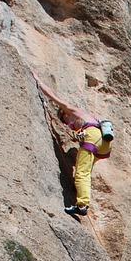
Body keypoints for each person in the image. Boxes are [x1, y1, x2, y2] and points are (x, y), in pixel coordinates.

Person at [32, 73, 112, 217]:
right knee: (85, 172)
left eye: (65, 119)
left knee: (81, 172)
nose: (67, 124)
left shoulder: (73, 111)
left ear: (66, 113)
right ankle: (82, 192)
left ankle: (82, 205)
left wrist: (38, 81)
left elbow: (55, 98)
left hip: (93, 137)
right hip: (104, 144)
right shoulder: (90, 118)